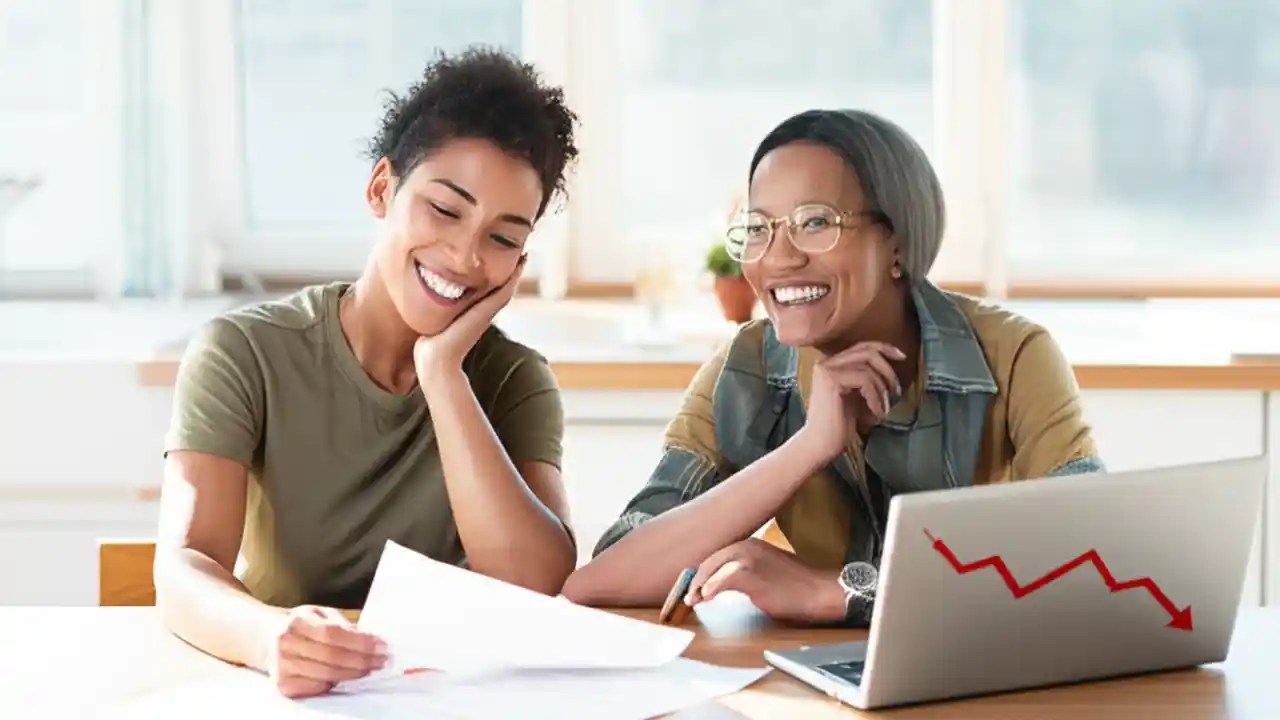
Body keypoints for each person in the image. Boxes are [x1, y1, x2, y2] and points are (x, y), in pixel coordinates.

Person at [562, 108, 1103, 627]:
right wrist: (809, 446)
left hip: (987, 674)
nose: (777, 257)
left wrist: (839, 592)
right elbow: (603, 578)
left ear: (897, 241)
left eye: (814, 222)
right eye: (758, 227)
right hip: (815, 682)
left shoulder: (1012, 356)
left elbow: (1098, 554)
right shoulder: (745, 369)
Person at [155, 48, 579, 698]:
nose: (465, 256)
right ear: (382, 188)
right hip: (287, 692)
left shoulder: (514, 380)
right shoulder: (244, 352)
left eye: (502, 237)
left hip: (456, 697)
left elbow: (535, 583)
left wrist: (441, 372)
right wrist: (268, 637)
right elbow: (186, 566)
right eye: (445, 209)